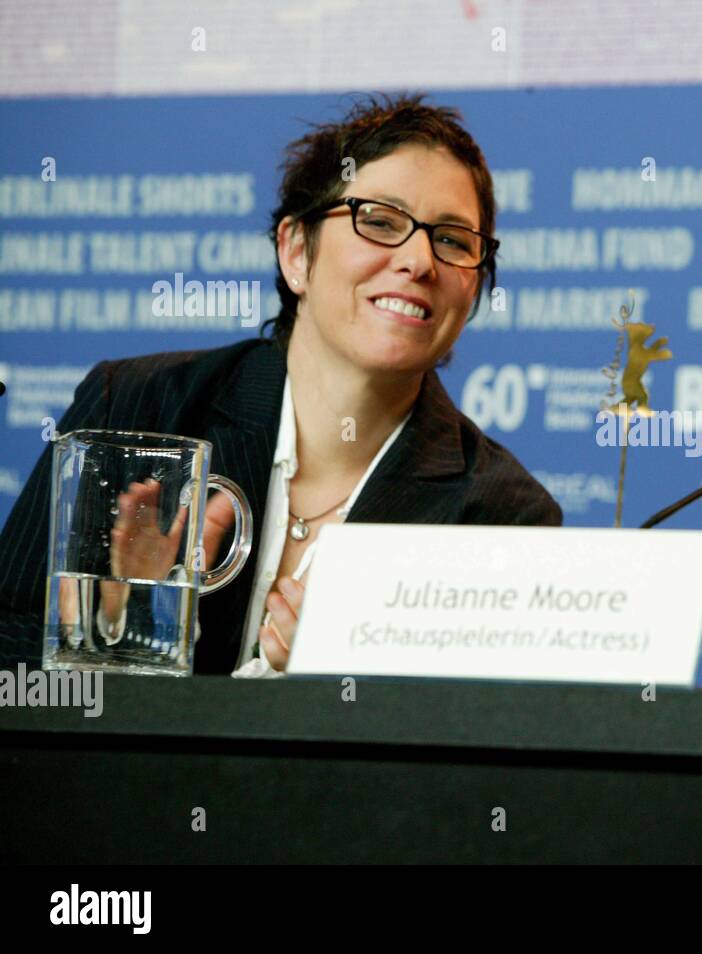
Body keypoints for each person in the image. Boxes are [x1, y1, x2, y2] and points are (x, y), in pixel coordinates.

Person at [0, 93, 561, 675]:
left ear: (473, 290)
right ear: (297, 251)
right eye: (380, 221)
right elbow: (7, 653)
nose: (420, 260)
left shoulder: (502, 515)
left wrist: (344, 698)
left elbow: (478, 746)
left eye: (452, 240)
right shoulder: (138, 408)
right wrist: (109, 641)